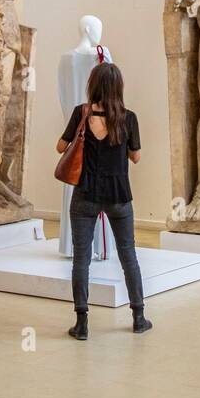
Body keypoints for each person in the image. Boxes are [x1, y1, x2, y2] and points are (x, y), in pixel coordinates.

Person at [56, 61, 152, 340]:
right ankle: (138, 316)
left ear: (93, 85)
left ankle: (82, 323)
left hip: (85, 194)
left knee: (81, 260)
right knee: (129, 256)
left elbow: (61, 147)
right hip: (119, 196)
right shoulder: (128, 117)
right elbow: (136, 156)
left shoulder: (81, 114)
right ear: (118, 87)